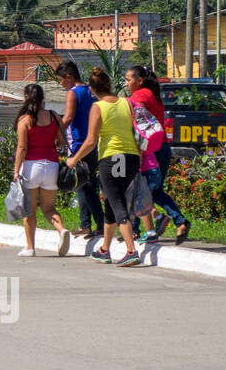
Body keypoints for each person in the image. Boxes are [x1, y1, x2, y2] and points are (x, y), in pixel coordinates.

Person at [65, 67, 142, 266]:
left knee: (117, 203)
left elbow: (91, 141)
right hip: (131, 156)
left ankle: (131, 250)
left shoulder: (98, 107)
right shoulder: (127, 103)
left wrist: (74, 159)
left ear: (92, 90)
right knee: (110, 202)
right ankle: (104, 250)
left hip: (112, 158)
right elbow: (136, 132)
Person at [125, 64, 191, 243]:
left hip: (148, 151)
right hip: (163, 147)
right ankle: (180, 221)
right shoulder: (154, 95)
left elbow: (139, 124)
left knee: (137, 190)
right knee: (156, 191)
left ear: (139, 81)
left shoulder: (139, 95)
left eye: (128, 80)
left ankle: (141, 230)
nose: (126, 84)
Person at [12, 83, 71, 257]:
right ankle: (61, 230)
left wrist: (16, 171)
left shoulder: (25, 120)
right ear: (42, 97)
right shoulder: (54, 116)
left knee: (29, 211)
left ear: (25, 98)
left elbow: (22, 148)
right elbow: (62, 142)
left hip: (31, 167)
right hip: (51, 166)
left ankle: (30, 248)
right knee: (49, 208)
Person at [56, 61, 105, 239]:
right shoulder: (92, 92)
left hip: (78, 145)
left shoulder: (73, 93)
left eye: (61, 80)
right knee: (84, 184)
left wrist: (54, 133)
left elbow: (68, 118)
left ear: (69, 77)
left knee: (86, 186)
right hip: (93, 143)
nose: (61, 84)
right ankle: (85, 224)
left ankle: (100, 223)